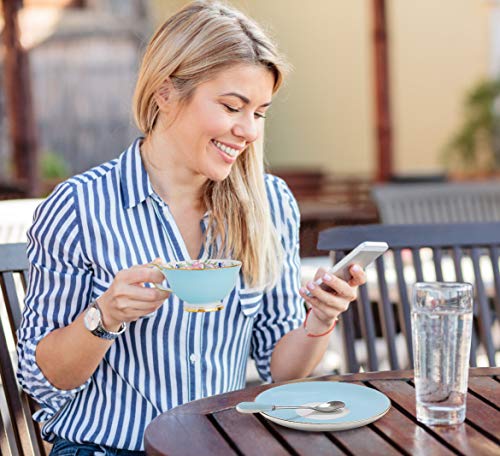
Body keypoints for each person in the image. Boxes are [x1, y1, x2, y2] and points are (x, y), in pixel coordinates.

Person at [17, 1, 366, 454]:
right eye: (231, 106)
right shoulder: (78, 208)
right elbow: (43, 378)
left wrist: (321, 318)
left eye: (259, 112)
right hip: (109, 447)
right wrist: (104, 316)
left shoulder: (268, 204)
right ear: (165, 92)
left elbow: (282, 372)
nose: (248, 131)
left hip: (222, 446)